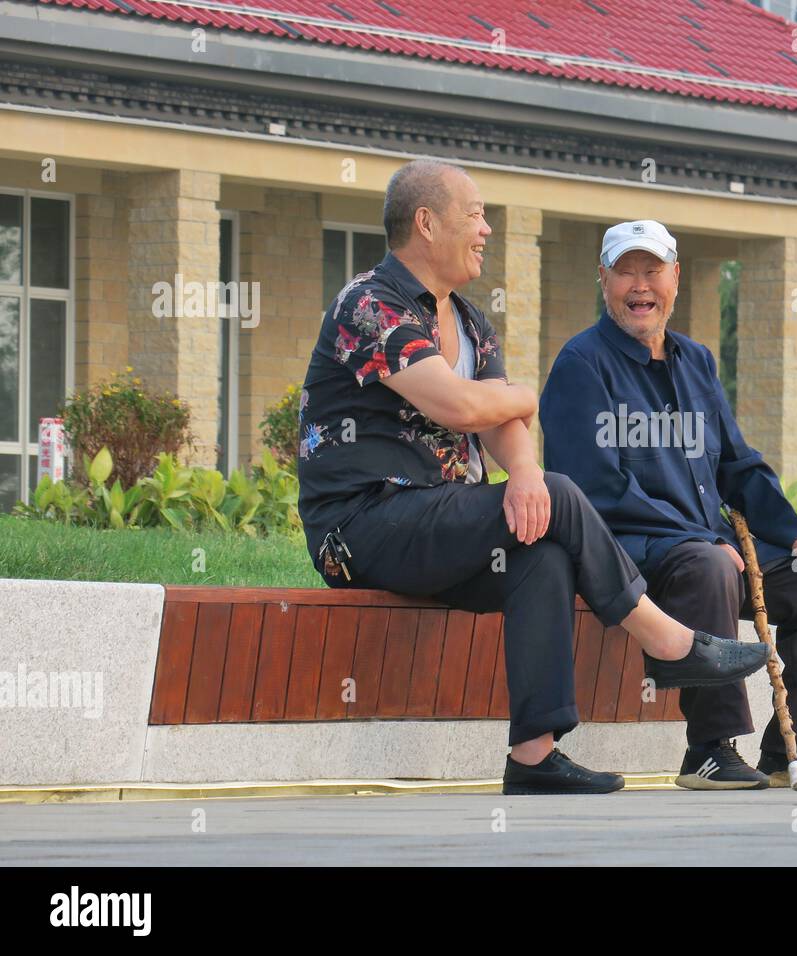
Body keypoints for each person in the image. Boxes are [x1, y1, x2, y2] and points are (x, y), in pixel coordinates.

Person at [296, 164, 770, 795]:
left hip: (441, 519)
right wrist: (519, 396)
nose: (487, 228)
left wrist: (522, 470)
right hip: (361, 525)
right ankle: (669, 641)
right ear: (426, 223)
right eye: (475, 214)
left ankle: (533, 756)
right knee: (565, 494)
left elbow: (504, 421)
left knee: (541, 543)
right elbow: (461, 408)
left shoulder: (466, 319)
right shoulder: (370, 304)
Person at [539, 220, 797, 791]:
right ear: (604, 280)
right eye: (626, 271)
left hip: (707, 551)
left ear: (676, 278)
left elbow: (737, 468)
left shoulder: (696, 361)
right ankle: (710, 750)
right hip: (631, 555)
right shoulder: (582, 365)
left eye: (652, 271)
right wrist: (704, 539)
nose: (640, 285)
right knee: (710, 562)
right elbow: (595, 490)